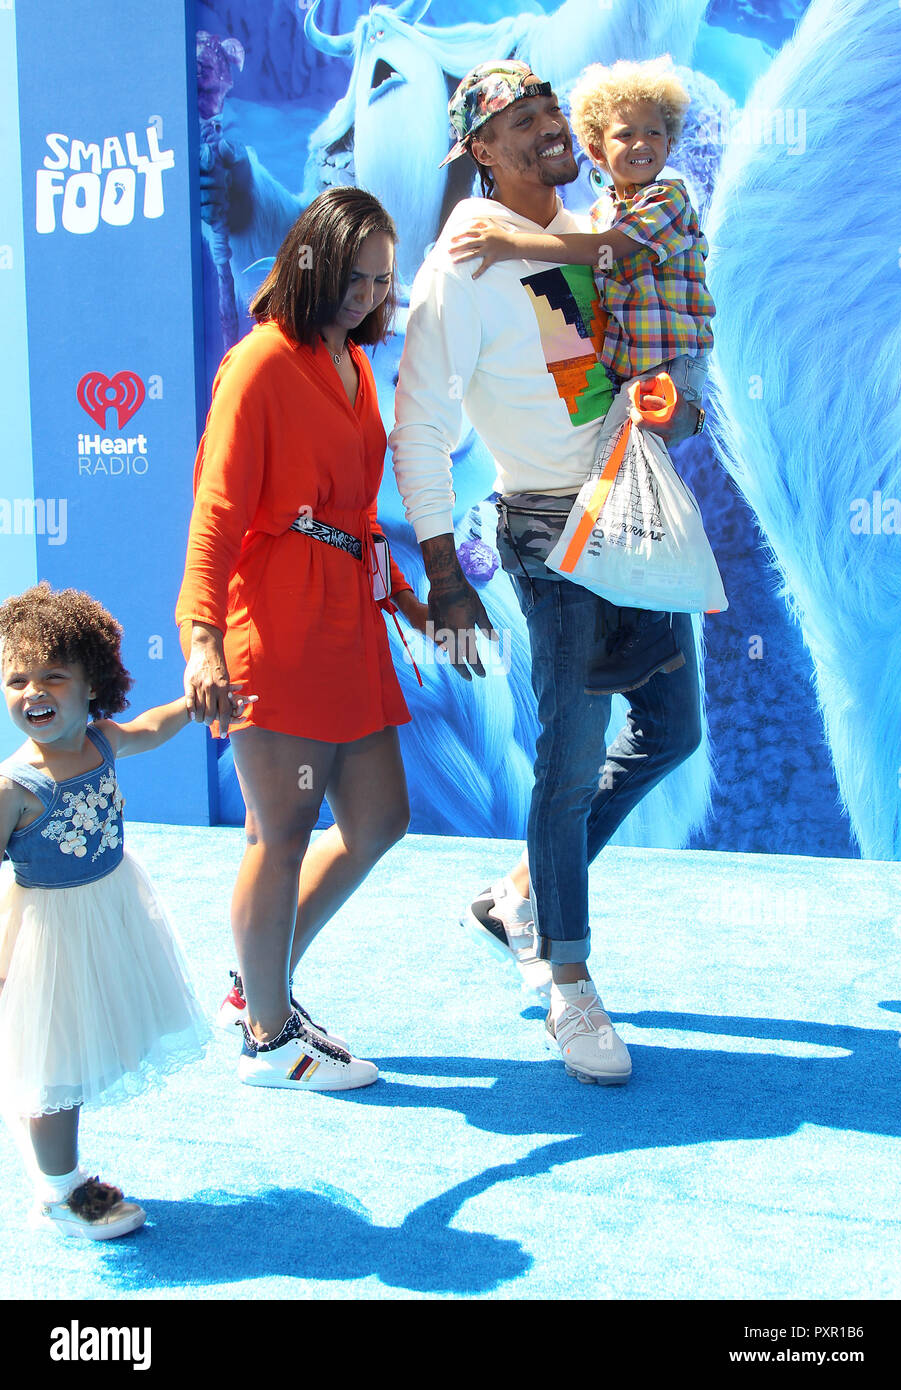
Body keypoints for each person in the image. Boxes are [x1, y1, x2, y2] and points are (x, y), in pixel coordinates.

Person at [392, 60, 704, 1086]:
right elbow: (421, 430)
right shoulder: (459, 269)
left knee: (673, 731)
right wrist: (440, 569)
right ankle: (566, 984)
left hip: (626, 508)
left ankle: (525, 889)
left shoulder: (583, 232)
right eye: (515, 123)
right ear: (479, 152)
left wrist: (656, 407)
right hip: (543, 534)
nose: (543, 129)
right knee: (568, 761)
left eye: (545, 111)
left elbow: (581, 386)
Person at [177, 186, 428, 1093]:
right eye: (354, 276)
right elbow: (215, 513)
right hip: (274, 628)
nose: (367, 295)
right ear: (312, 262)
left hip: (347, 623)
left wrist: (405, 596)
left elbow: (355, 516)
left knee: (378, 820)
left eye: (382, 280)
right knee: (279, 831)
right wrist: (202, 638)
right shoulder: (260, 363)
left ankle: (257, 989)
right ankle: (267, 1038)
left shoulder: (355, 364)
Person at [449, 56, 715, 693]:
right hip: (606, 403)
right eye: (626, 134)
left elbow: (606, 257)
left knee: (625, 490)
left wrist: (513, 248)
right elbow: (568, 354)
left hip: (663, 368)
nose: (643, 146)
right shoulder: (576, 219)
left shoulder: (657, 203)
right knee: (623, 491)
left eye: (655, 134)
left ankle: (649, 634)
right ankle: (643, 634)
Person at [0, 583, 212, 1239]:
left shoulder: (100, 741)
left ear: (92, 684)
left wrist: (194, 704)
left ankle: (54, 1176)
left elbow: (149, 728)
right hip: (48, 938)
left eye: (53, 677)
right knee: (54, 1066)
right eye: (17, 680)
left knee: (83, 1052)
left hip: (111, 913)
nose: (33, 693)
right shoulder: (15, 785)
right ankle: (60, 1191)